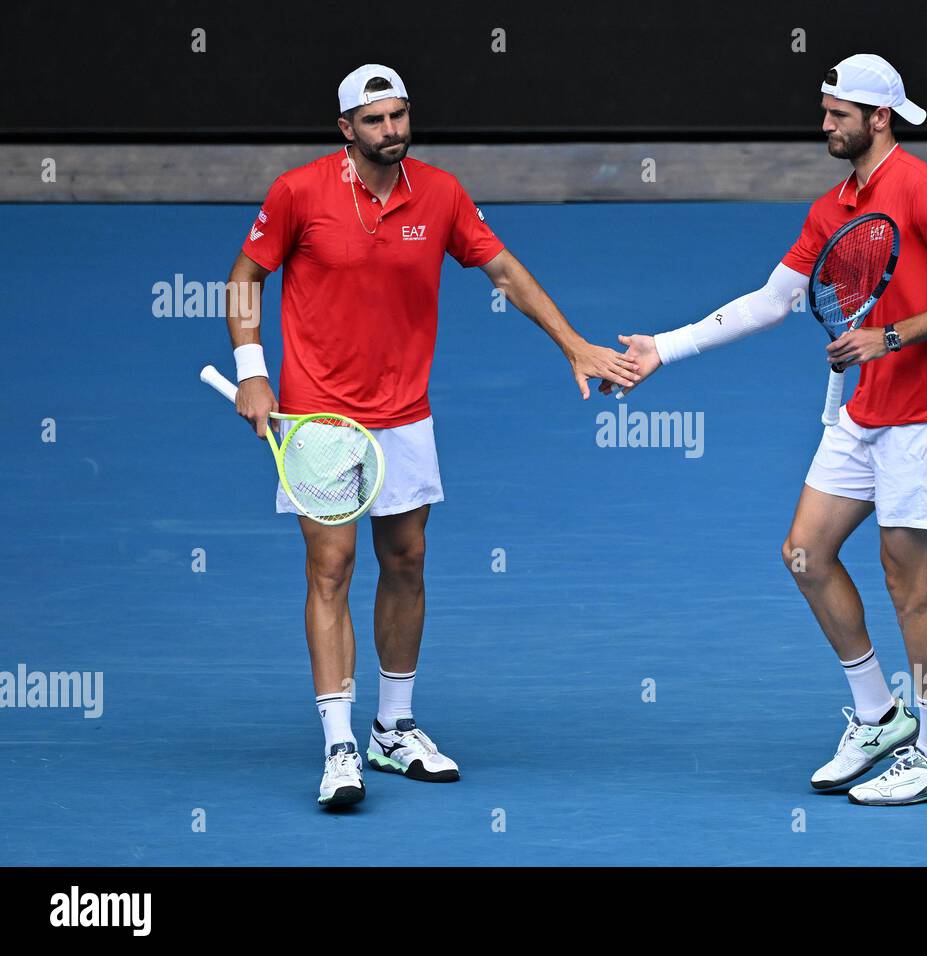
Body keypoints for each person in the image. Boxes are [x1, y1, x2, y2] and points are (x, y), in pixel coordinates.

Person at [223, 64, 640, 807]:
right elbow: (246, 276)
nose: (394, 130)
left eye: (401, 116)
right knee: (333, 567)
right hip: (318, 414)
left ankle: (392, 727)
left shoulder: (441, 194)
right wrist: (252, 371)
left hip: (404, 412)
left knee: (407, 561)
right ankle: (339, 744)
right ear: (346, 129)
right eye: (376, 120)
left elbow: (503, 271)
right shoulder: (299, 193)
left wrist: (572, 343)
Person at [603, 54, 927, 805]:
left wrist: (890, 338)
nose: (823, 124)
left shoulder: (923, 187)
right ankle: (877, 714)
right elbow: (769, 300)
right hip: (868, 410)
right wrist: (665, 347)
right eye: (823, 110)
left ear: (877, 117)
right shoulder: (833, 207)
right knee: (805, 553)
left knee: (908, 585)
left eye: (836, 114)